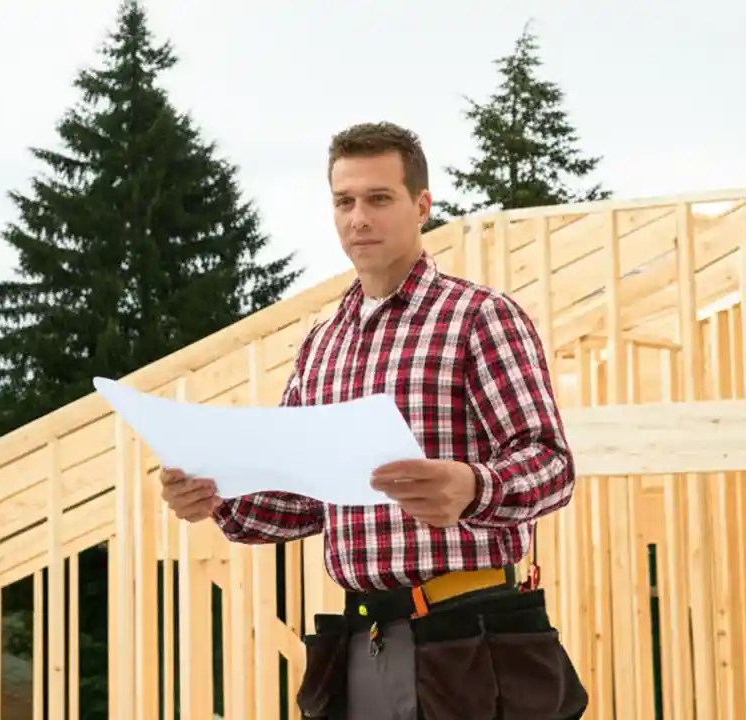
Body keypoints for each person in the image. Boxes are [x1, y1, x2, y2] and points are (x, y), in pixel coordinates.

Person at [159, 121, 588, 719]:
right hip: (361, 641)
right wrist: (217, 496)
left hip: (470, 638)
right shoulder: (323, 344)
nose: (359, 218)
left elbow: (552, 465)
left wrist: (474, 487)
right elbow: (303, 499)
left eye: (379, 199)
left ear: (422, 206)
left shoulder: (478, 317)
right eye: (345, 201)